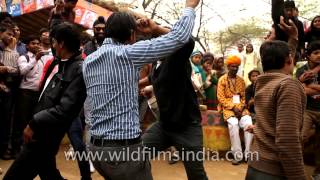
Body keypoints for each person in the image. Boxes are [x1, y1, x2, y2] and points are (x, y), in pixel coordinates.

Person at [82, 0, 200, 178]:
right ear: (131, 36)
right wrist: (189, 7)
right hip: (123, 150)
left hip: (96, 149)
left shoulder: (88, 61)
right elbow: (179, 37)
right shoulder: (128, 54)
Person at [4, 22, 87, 180]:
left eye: (54, 42)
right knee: (49, 173)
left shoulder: (78, 69)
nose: (52, 46)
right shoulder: (59, 63)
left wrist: (34, 122)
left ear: (61, 43)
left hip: (44, 135)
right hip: (42, 131)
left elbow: (64, 110)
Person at [246, 16, 307, 180]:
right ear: (290, 60)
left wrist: (293, 39)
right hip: (274, 171)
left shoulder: (262, 81)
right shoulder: (288, 85)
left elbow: (282, 63)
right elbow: (287, 140)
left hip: (255, 166)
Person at [142, 39, 208, 180]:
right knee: (136, 157)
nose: (159, 45)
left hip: (188, 128)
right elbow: (152, 76)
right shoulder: (157, 63)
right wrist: (137, 83)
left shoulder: (178, 60)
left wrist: (158, 29)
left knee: (196, 175)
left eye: (163, 41)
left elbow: (188, 42)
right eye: (157, 42)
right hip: (164, 126)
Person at [217, 55, 254, 165]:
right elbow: (220, 98)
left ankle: (247, 155)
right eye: (232, 66)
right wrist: (233, 107)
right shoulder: (222, 80)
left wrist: (241, 107)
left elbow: (243, 97)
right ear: (228, 67)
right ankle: (237, 155)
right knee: (233, 124)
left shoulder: (241, 81)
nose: (235, 68)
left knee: (248, 122)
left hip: (241, 108)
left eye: (236, 67)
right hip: (228, 107)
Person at [11, 35, 42, 158]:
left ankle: (27, 150)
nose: (36, 45)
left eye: (37, 43)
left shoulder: (42, 58)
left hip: (37, 94)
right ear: (28, 45)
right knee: (21, 122)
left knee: (32, 122)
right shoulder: (23, 57)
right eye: (33, 43)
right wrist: (35, 60)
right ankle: (15, 150)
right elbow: (23, 71)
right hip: (25, 93)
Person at [296, 41, 320, 180]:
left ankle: (318, 172)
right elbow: (302, 90)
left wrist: (311, 86)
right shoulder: (302, 69)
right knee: (301, 138)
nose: (319, 55)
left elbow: (306, 88)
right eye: (316, 53)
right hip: (307, 110)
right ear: (308, 55)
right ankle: (294, 168)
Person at [0, 20, 20, 160]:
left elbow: (14, 70)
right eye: (8, 34)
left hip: (7, 90)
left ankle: (3, 150)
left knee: (5, 120)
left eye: (13, 35)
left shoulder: (11, 49)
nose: (11, 37)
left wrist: (5, 68)